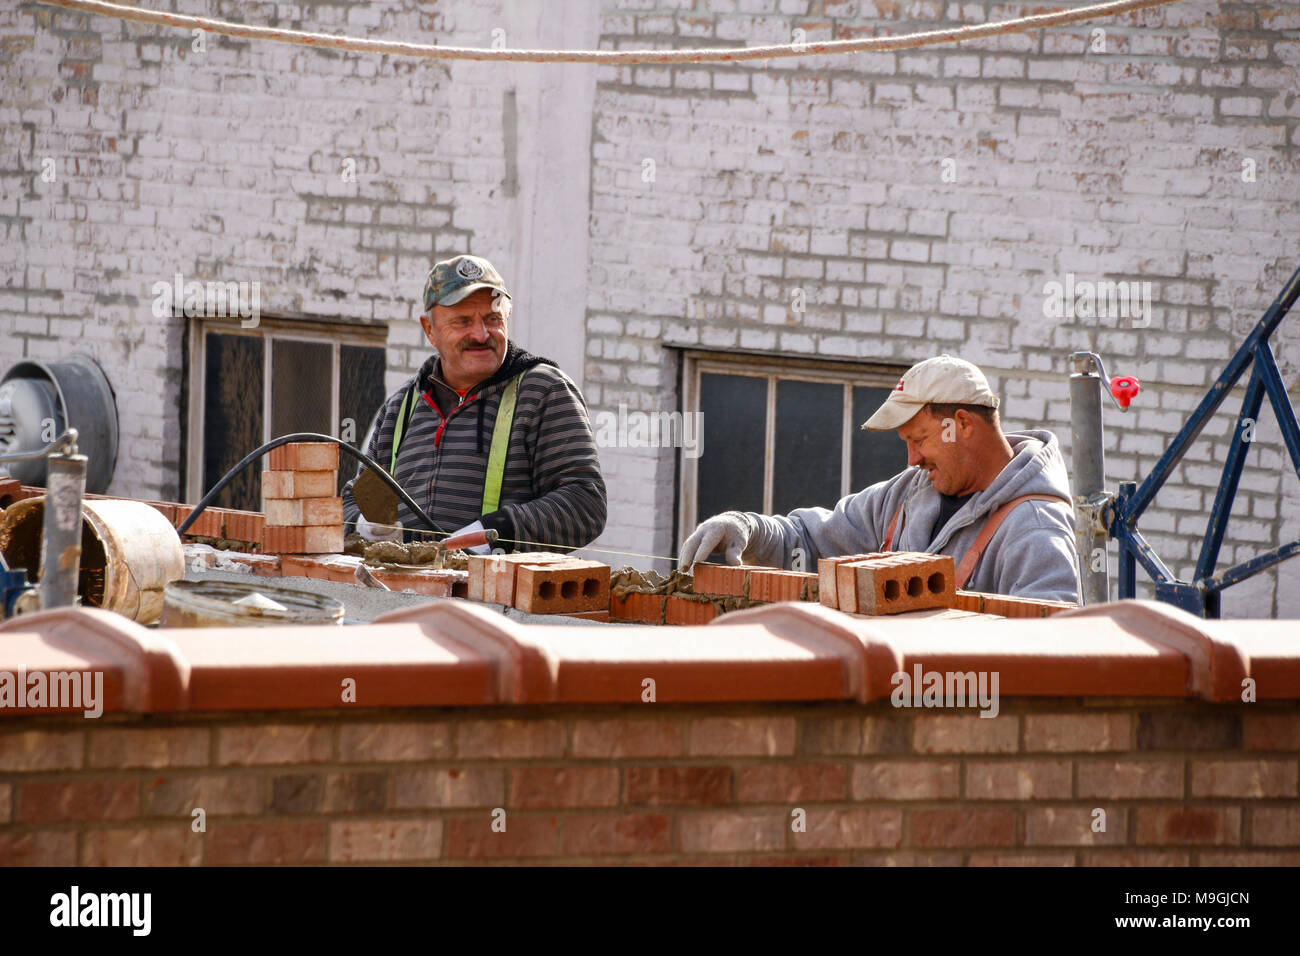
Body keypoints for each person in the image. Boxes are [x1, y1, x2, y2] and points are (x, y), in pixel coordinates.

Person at [678, 355, 1081, 602]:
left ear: (961, 424)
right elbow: (809, 543)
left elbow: (1051, 658)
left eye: (919, 439)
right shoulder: (907, 494)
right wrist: (748, 529)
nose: (912, 459)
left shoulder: (1033, 528)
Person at [342, 254, 606, 552]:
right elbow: (355, 498)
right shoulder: (402, 406)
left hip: (498, 597)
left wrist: (495, 533)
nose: (481, 334)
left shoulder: (543, 392)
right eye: (462, 322)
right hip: (409, 595)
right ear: (430, 330)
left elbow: (585, 504)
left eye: (492, 319)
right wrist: (363, 523)